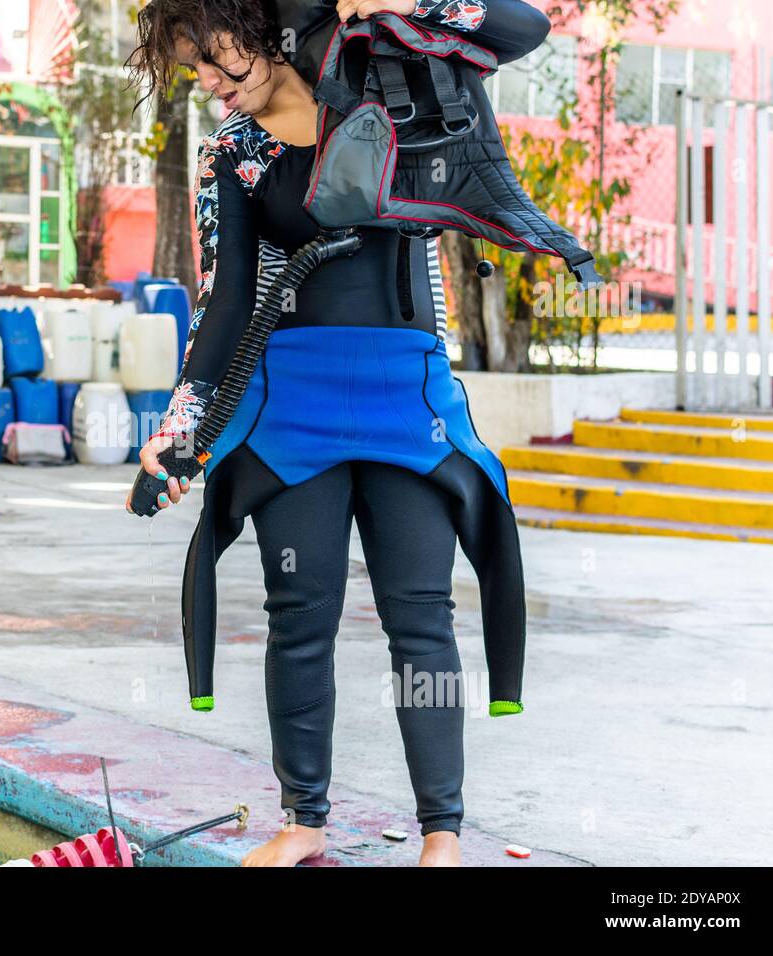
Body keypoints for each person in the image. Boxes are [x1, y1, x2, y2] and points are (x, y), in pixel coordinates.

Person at [125, 0, 545, 867]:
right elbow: (228, 302)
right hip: (295, 410)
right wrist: (178, 429)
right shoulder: (232, 152)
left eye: (213, 58)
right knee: (298, 615)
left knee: (420, 617)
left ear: (262, 26)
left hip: (406, 397)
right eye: (190, 69)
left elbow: (520, 26)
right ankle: (304, 822)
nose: (206, 81)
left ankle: (442, 835)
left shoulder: (389, 84)